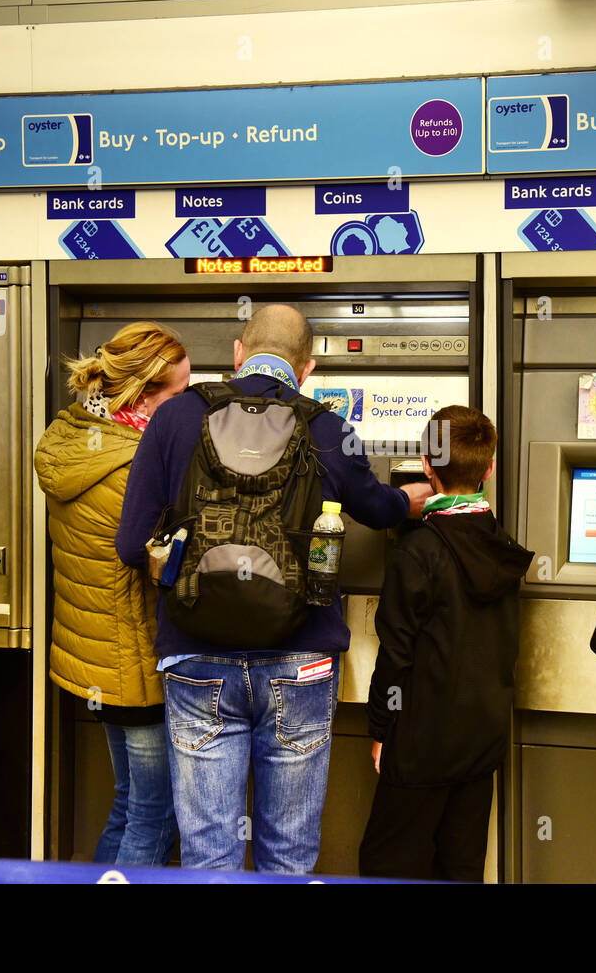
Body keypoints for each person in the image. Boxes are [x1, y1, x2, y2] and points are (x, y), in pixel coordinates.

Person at [116, 303, 432, 874]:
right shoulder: (330, 427)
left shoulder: (174, 420)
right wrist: (407, 501)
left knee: (208, 853)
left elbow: (129, 543)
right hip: (301, 661)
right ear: (306, 368)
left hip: (195, 655)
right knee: (286, 853)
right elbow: (378, 509)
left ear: (239, 352)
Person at [35, 322, 190, 866]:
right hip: (133, 662)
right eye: (178, 395)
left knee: (129, 804)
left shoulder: (75, 437)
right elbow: (154, 558)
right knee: (154, 811)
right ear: (141, 395)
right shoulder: (132, 465)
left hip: (93, 656)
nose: (187, 406)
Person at [358, 406, 532, 882]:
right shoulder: (502, 545)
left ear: (426, 465)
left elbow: (396, 655)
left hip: (418, 742)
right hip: (481, 739)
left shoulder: (417, 550)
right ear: (489, 469)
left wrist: (380, 731)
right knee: (460, 865)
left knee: (388, 864)